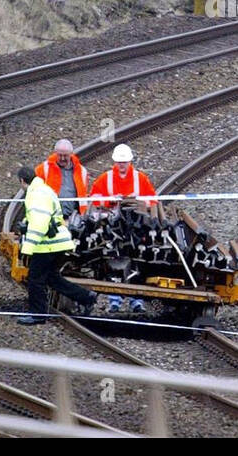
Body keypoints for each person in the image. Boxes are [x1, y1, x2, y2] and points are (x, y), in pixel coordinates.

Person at [15, 167, 99, 325]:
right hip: (60, 243)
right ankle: (86, 297)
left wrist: (27, 248)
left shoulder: (35, 194)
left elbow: (39, 222)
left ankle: (38, 314)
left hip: (48, 245)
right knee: (51, 277)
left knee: (35, 279)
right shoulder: (45, 190)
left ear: (22, 181)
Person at [87, 143, 158, 312]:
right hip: (114, 228)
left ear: (130, 161)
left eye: (124, 162)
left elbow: (153, 200)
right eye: (119, 162)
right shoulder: (106, 178)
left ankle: (136, 301)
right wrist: (110, 201)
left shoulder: (139, 178)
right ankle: (115, 300)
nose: (121, 165)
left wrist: (138, 202)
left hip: (136, 228)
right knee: (114, 261)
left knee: (136, 261)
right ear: (114, 162)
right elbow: (94, 198)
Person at [36, 138, 90, 217]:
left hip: (73, 217)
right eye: (60, 155)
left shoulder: (82, 171)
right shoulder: (43, 169)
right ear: (55, 153)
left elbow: (83, 194)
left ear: (71, 154)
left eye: (65, 155)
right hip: (50, 216)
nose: (62, 158)